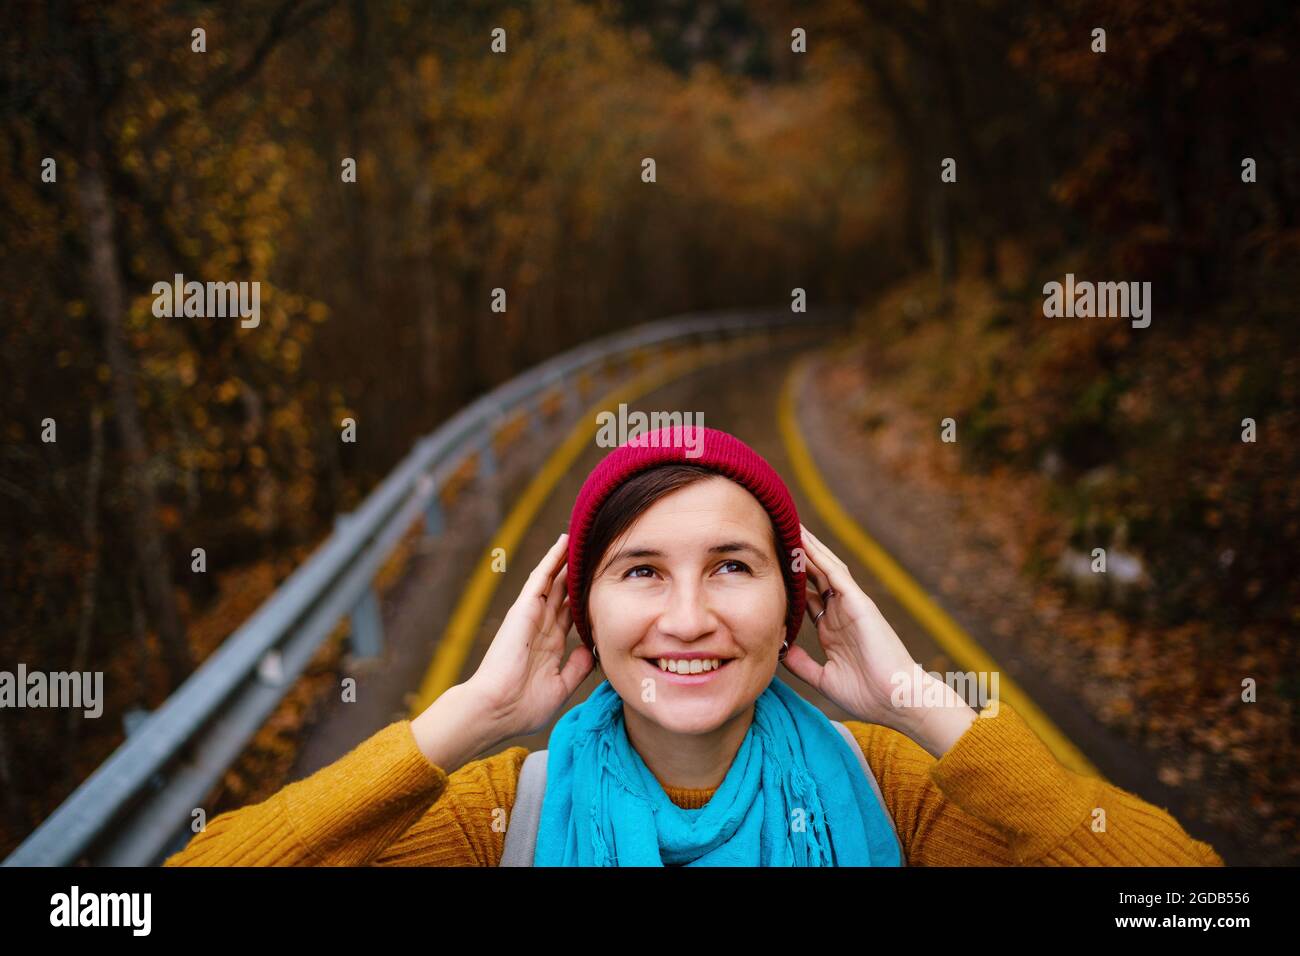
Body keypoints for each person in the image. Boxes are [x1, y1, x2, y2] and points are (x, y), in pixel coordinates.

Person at [165, 425, 1223, 867]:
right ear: (578, 608)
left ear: (796, 595)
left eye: (731, 564)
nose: (685, 618)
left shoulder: (898, 787)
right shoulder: (500, 814)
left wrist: (912, 696)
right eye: (638, 571)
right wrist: (465, 719)